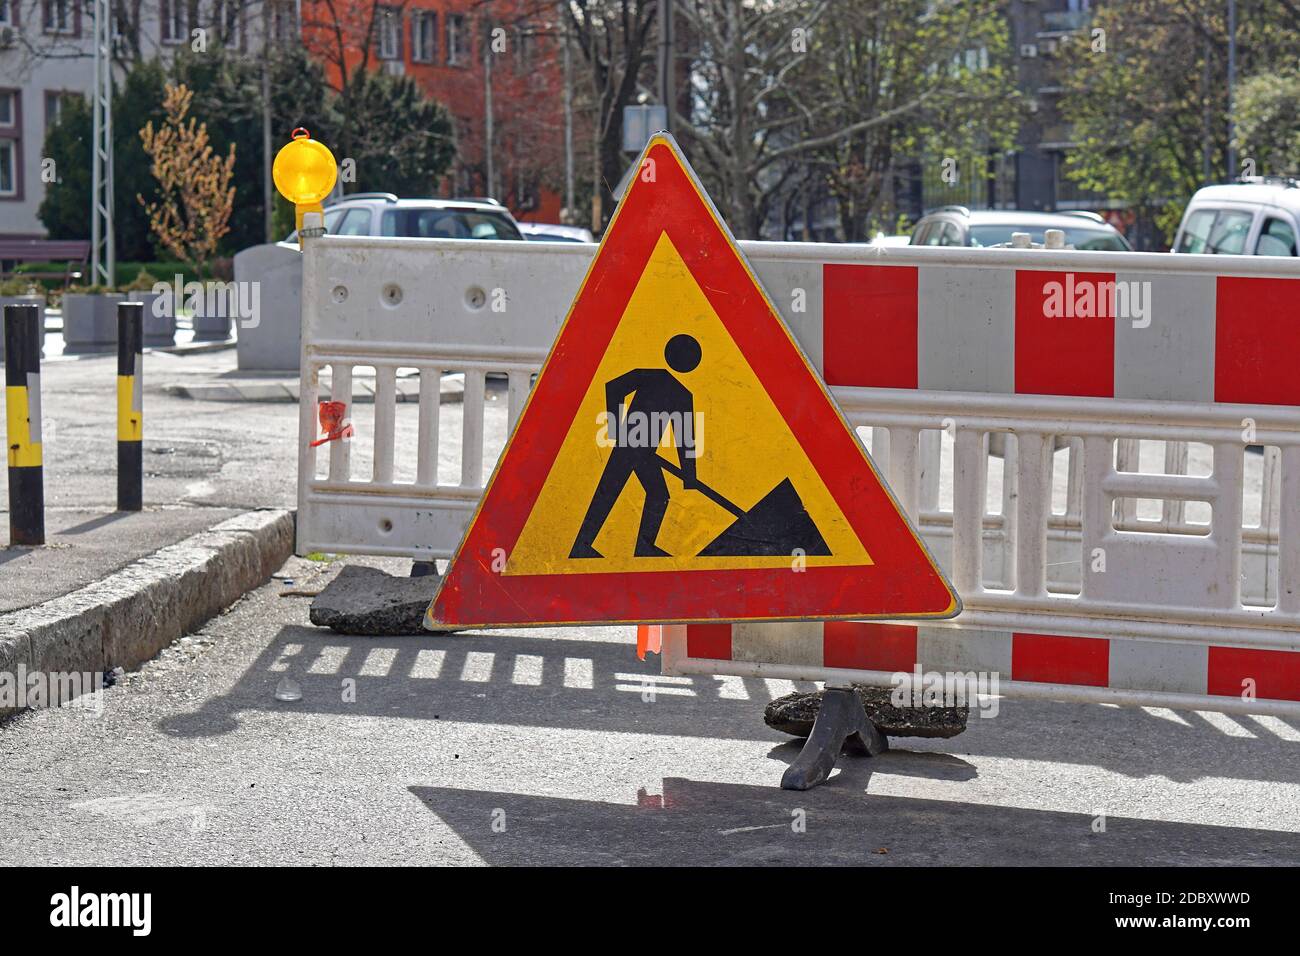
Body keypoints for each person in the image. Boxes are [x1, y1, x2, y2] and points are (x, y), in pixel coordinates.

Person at [570, 334, 701, 558]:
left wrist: (690, 476)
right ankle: (583, 546)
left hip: (644, 452)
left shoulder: (663, 384)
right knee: (610, 492)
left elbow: (685, 437)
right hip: (629, 447)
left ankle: (642, 547)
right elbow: (613, 387)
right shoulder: (669, 387)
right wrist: (615, 430)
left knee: (654, 494)